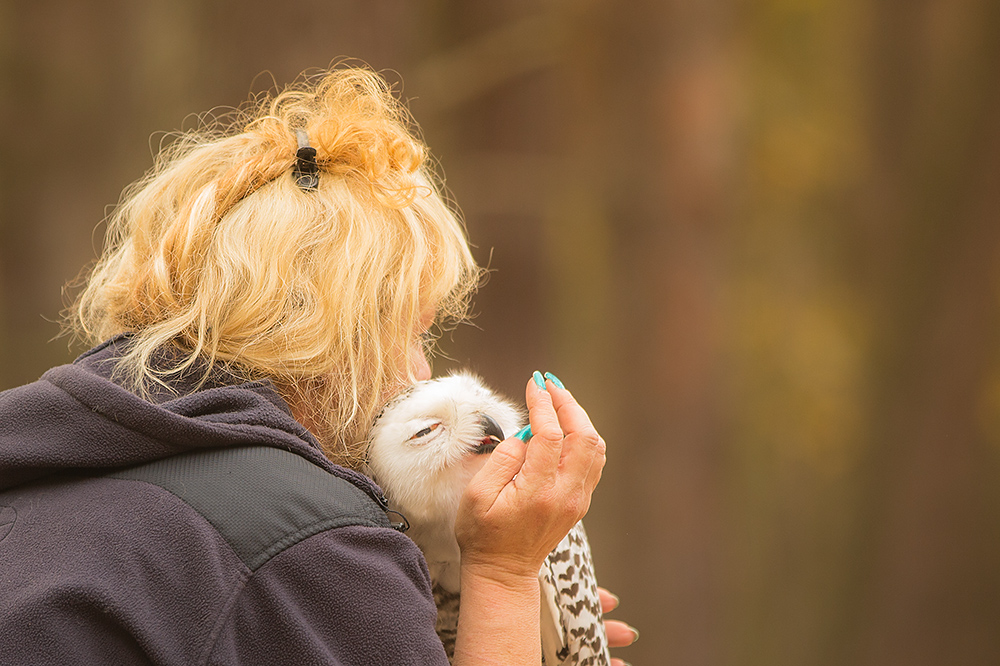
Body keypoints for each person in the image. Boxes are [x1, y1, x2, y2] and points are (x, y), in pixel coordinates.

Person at [0, 66, 635, 664]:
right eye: (413, 333)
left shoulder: (42, 474)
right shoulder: (300, 541)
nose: (420, 373)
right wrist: (505, 576)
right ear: (340, 336)